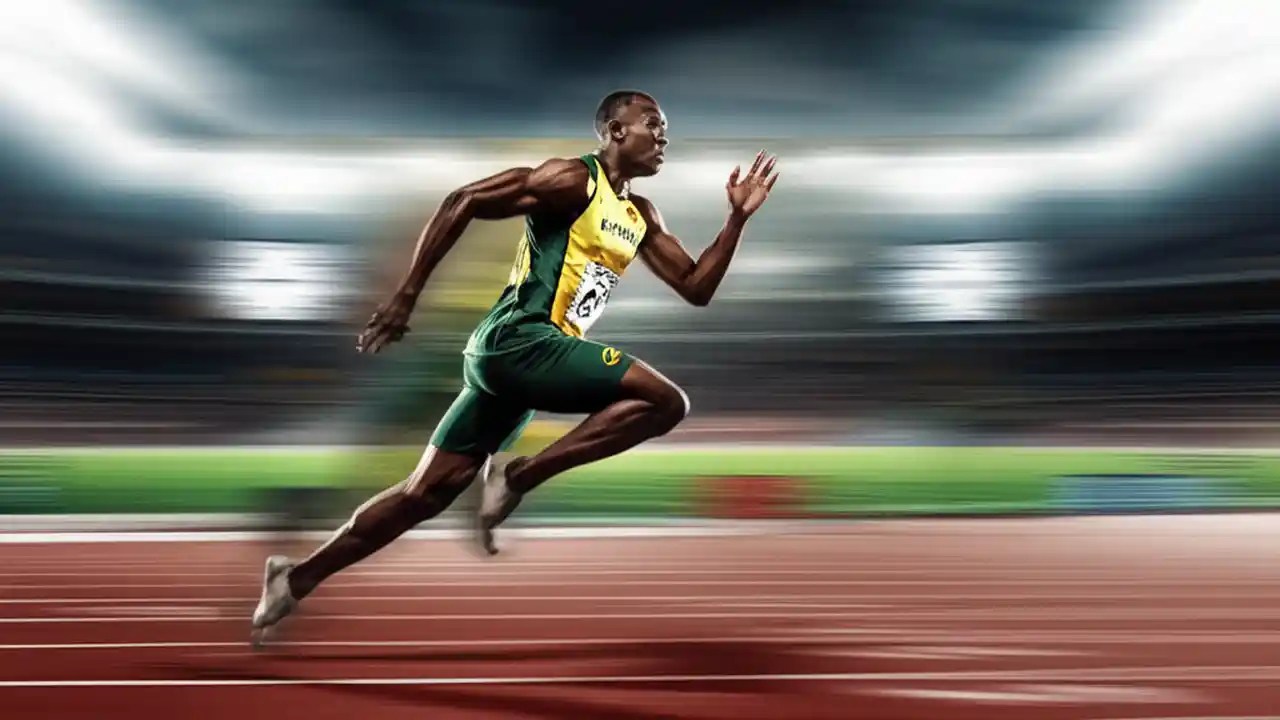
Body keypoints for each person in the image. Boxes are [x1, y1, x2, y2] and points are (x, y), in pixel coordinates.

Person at [250, 90, 779, 643]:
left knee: (424, 495)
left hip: (527, 368)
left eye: (665, 126)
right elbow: (464, 200)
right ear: (615, 131)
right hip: (518, 342)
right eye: (653, 123)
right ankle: (519, 475)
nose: (664, 135)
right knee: (666, 401)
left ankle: (293, 579)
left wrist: (736, 220)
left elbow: (696, 287)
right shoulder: (572, 180)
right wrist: (409, 294)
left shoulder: (639, 215)